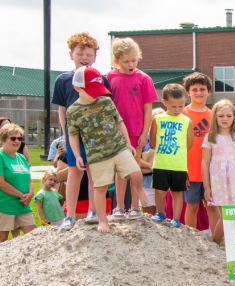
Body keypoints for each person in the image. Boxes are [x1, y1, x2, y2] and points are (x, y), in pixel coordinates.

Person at [67, 67, 148, 234]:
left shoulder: (106, 101)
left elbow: (119, 122)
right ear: (78, 88)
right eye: (92, 91)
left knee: (136, 173)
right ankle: (103, 220)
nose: (97, 94)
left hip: (118, 147)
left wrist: (127, 143)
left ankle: (139, 190)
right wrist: (77, 156)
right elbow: (73, 135)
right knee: (100, 187)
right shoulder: (73, 111)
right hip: (97, 156)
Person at [54, 32, 109, 229]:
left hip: (95, 135)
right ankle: (69, 214)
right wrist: (65, 133)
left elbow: (106, 108)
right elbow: (62, 109)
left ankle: (92, 211)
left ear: (95, 56)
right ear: (71, 55)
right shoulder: (63, 79)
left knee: (95, 174)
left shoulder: (101, 79)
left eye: (88, 54)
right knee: (74, 173)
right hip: (74, 135)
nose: (84, 58)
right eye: (80, 54)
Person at [106, 37, 156, 221]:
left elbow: (148, 107)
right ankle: (119, 206)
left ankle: (135, 206)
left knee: (135, 169)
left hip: (136, 132)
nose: (131, 64)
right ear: (116, 60)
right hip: (116, 133)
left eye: (134, 60)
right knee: (121, 170)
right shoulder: (109, 78)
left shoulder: (143, 78)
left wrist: (144, 133)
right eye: (126, 61)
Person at [202, 99, 235, 243]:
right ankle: (216, 243)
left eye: (229, 116)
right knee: (226, 215)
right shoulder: (210, 137)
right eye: (221, 116)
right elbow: (205, 163)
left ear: (234, 117)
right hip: (219, 181)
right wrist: (206, 187)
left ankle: (233, 244)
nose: (225, 119)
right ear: (215, 117)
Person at [148, 84, 194, 228]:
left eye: (181, 106)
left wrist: (178, 152)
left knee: (177, 194)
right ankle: (160, 213)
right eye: (173, 106)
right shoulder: (158, 119)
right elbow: (153, 139)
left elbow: (189, 142)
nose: (177, 110)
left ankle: (176, 219)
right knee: (160, 192)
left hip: (179, 164)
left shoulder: (186, 121)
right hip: (161, 163)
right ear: (164, 103)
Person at [0, 124, 34, 246]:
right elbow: (0, 183)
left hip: (22, 204)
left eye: (20, 138)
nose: (17, 141)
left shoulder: (21, 158)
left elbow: (29, 180)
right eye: (13, 138)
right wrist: (21, 195)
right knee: (2, 239)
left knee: (33, 236)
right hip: (2, 204)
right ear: (3, 140)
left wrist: (30, 194)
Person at [181, 72, 213, 229]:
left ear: (209, 91)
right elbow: (178, 146)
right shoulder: (182, 114)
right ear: (187, 92)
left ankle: (215, 241)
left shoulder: (214, 115)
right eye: (194, 89)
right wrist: (181, 170)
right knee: (192, 207)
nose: (199, 92)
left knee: (212, 207)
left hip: (211, 171)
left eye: (202, 89)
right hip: (190, 172)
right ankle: (191, 241)